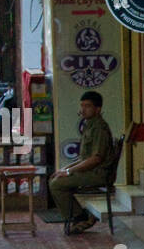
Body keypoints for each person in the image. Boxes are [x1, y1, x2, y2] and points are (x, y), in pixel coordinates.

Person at [49, 92, 115, 233]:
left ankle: (80, 217)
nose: (83, 109)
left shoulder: (99, 128)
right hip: (91, 170)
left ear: (98, 109)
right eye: (82, 106)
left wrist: (69, 172)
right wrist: (64, 169)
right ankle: (78, 216)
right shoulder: (89, 125)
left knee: (57, 184)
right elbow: (83, 158)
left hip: (99, 173)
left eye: (88, 106)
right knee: (55, 178)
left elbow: (96, 159)